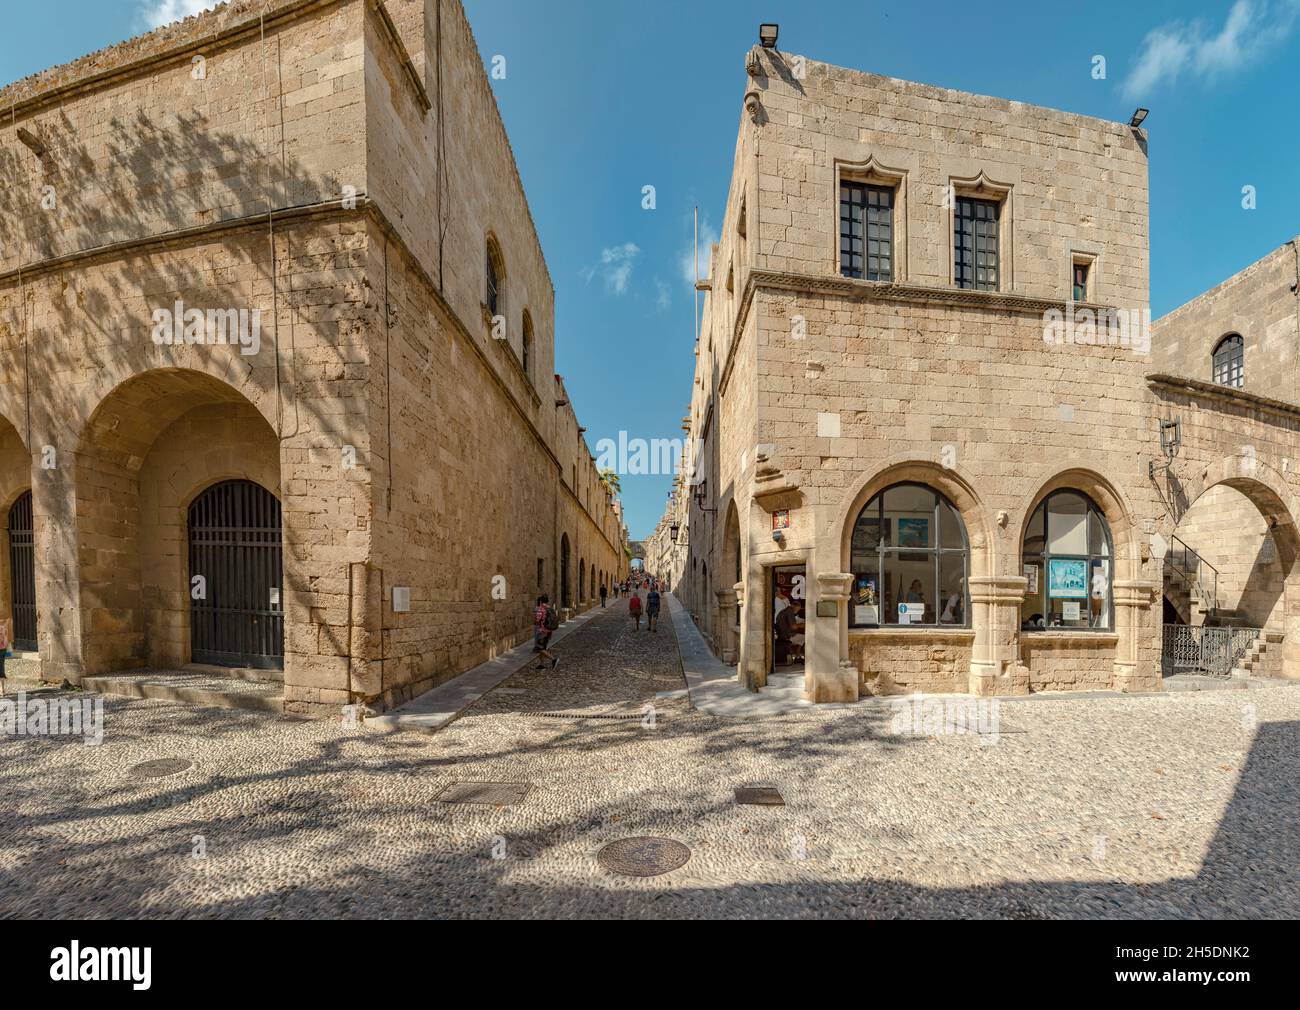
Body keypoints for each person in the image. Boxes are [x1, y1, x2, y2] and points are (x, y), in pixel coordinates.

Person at [533, 594, 558, 670]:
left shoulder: (541, 609)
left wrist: (534, 620)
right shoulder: (550, 608)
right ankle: (541, 665)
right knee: (543, 648)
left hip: (542, 631)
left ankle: (553, 659)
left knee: (539, 648)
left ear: (540, 601)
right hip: (548, 631)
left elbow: (537, 621)